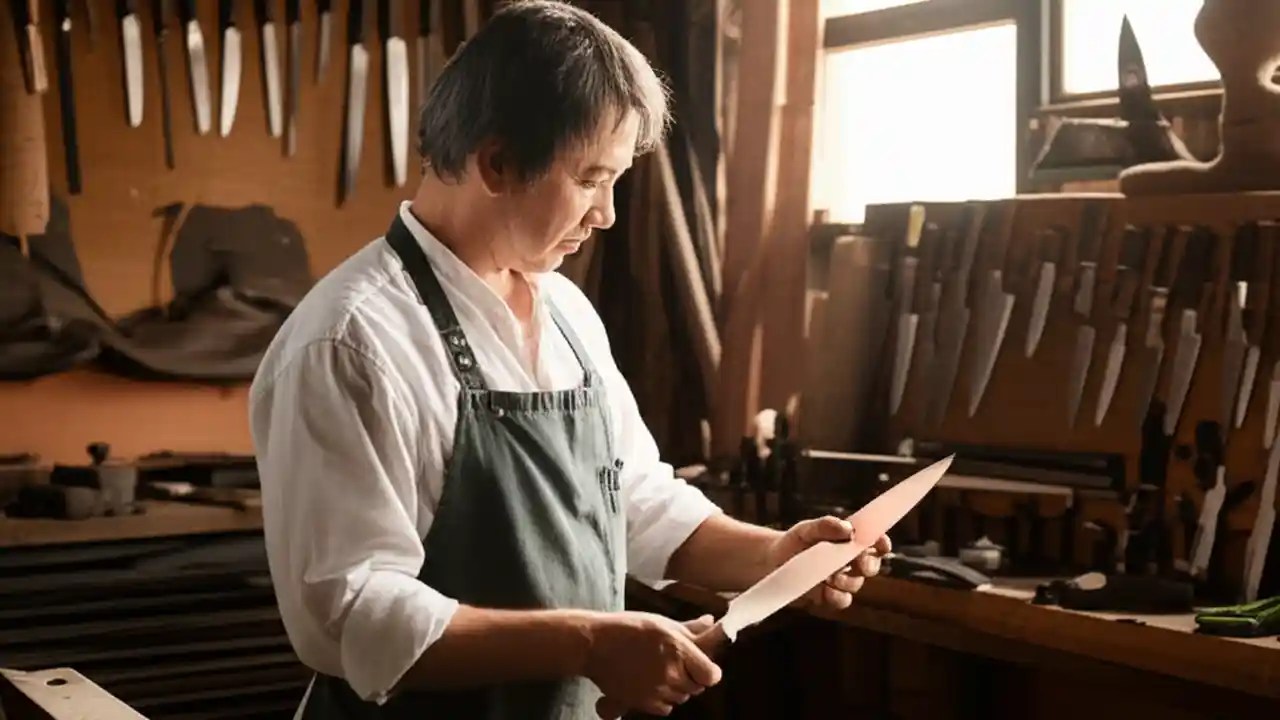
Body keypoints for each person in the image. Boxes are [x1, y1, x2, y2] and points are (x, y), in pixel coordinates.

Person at [248, 2, 890, 718]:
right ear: (496, 163)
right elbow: (350, 614)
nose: (606, 213)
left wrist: (772, 558)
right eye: (590, 179)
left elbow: (630, 499)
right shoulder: (351, 342)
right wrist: (587, 643)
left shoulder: (566, 312)